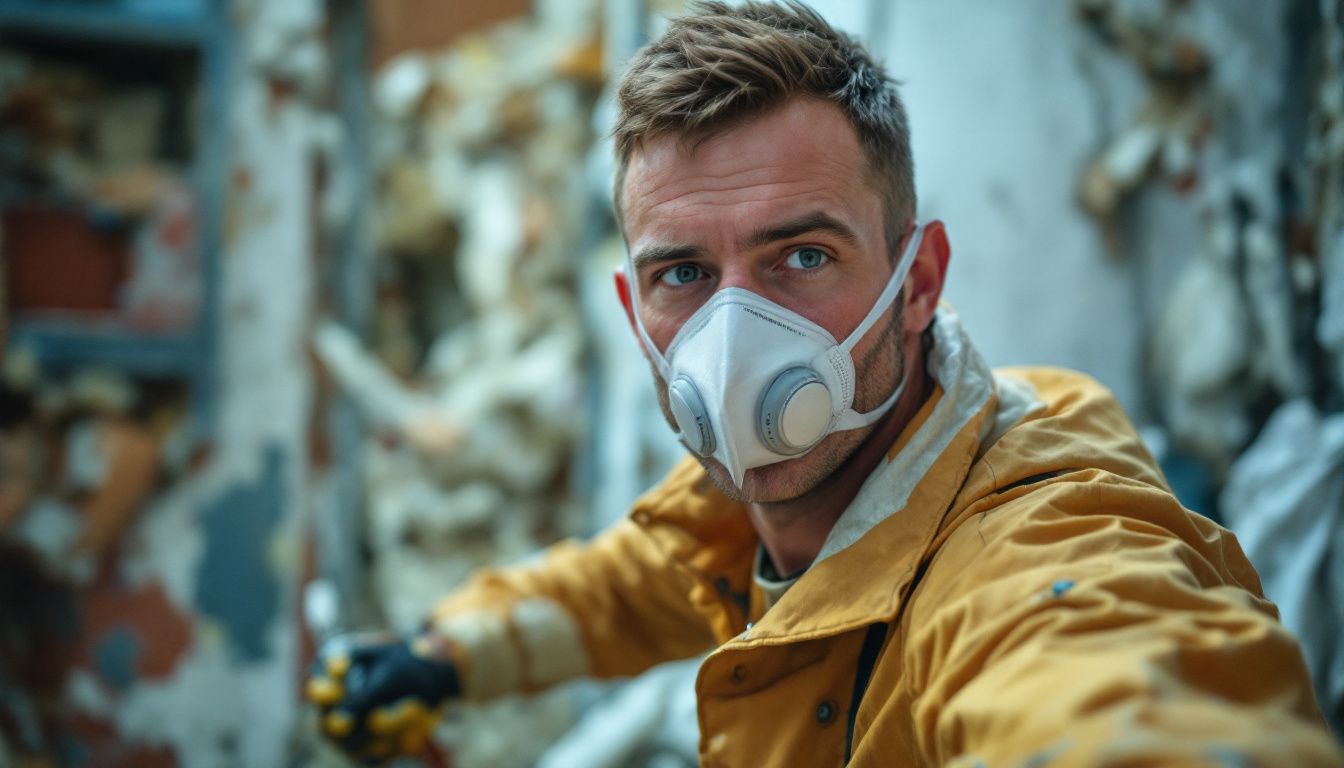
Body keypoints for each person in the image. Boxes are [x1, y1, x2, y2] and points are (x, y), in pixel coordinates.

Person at [307, 2, 1344, 765]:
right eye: (683, 275)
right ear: (636, 318)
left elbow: (1104, 671)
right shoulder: (756, 512)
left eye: (801, 257)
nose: (732, 334)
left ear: (918, 283)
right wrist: (440, 658)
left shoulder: (1033, 538)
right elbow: (630, 586)